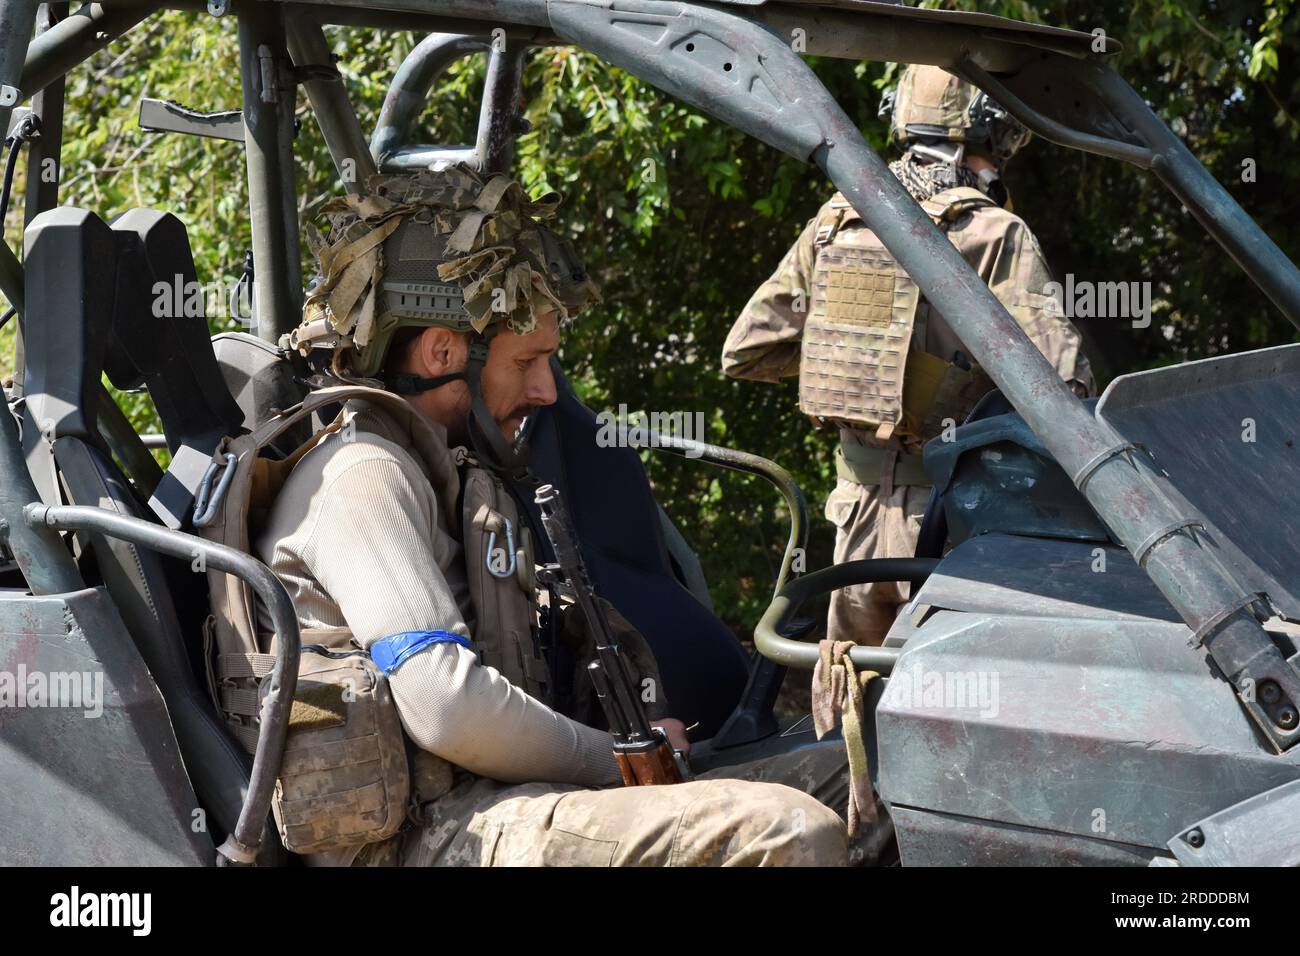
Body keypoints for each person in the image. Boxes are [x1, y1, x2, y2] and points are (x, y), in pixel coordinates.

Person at [255, 163, 855, 866]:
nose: (546, 391)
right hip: (433, 835)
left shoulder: (447, 468)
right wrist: (618, 760)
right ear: (442, 350)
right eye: (528, 362)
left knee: (864, 778)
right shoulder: (363, 475)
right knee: (788, 831)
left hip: (503, 801)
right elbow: (444, 705)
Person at [722, 65, 1094, 646]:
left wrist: (856, 361)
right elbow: (1065, 393)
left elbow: (748, 351)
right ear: (986, 132)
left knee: (854, 687)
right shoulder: (994, 232)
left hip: (854, 519)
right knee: (950, 690)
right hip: (955, 520)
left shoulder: (837, 221)